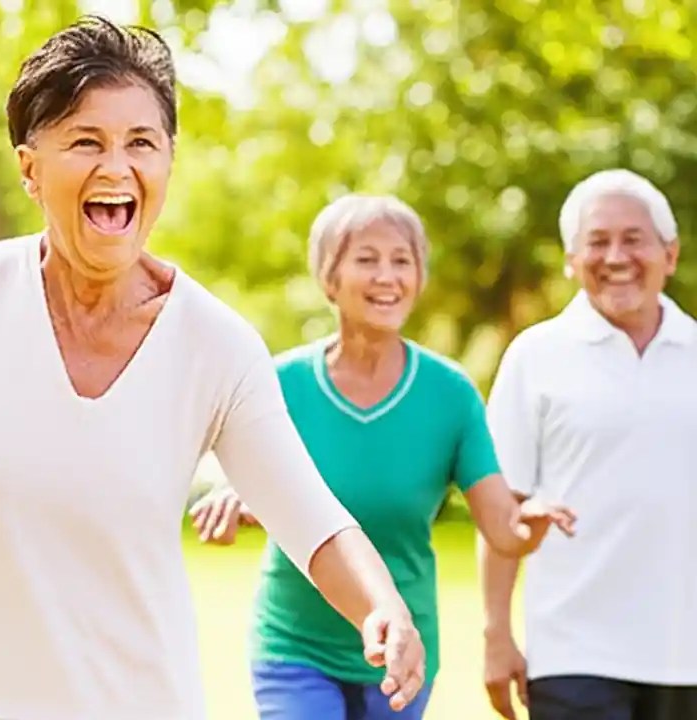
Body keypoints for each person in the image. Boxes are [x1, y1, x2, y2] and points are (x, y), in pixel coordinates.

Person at [0, 17, 430, 720]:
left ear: (168, 159)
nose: (116, 166)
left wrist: (383, 605)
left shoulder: (217, 343)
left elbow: (314, 523)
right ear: (30, 167)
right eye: (86, 142)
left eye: (141, 143)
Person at [188, 194, 577, 720]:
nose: (387, 275)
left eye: (402, 260)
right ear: (330, 276)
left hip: (402, 650)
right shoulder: (281, 384)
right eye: (366, 259)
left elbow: (503, 530)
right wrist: (242, 498)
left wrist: (529, 523)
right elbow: (262, 478)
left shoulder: (449, 394)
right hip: (294, 645)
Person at [480, 169, 697, 720]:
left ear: (669, 255)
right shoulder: (536, 356)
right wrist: (497, 636)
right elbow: (500, 508)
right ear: (571, 261)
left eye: (633, 239)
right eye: (596, 242)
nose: (615, 256)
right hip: (573, 656)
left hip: (687, 656)